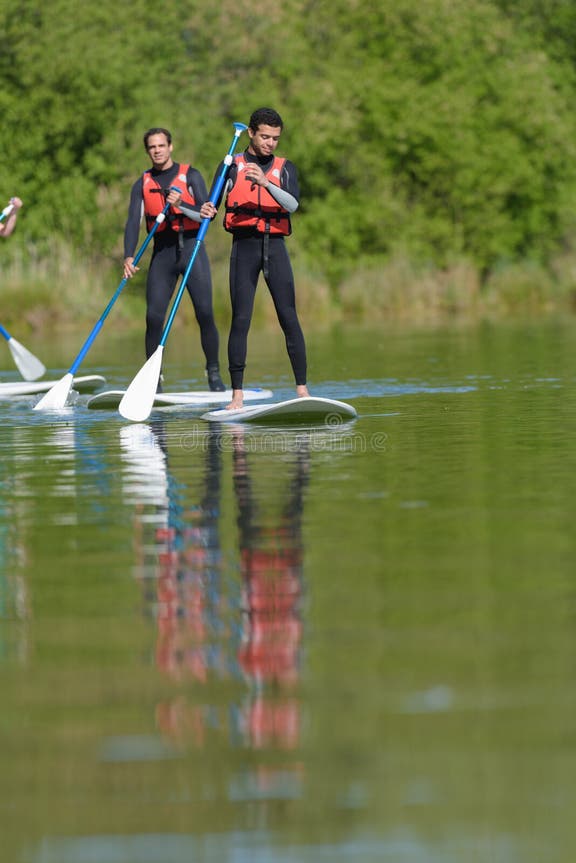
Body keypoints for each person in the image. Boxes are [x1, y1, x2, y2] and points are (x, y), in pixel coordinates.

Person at [199, 108, 309, 409]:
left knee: (289, 318)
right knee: (241, 320)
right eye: (264, 137)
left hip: (275, 247)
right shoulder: (229, 165)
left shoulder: (286, 168)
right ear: (250, 133)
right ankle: (237, 396)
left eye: (275, 138)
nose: (270, 143)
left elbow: (293, 205)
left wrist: (266, 183)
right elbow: (211, 205)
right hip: (244, 248)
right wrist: (206, 210)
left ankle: (302, 391)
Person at [123, 128, 225, 391]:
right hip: (162, 253)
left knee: (204, 313)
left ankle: (213, 373)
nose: (157, 150)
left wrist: (180, 205)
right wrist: (129, 255)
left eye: (161, 145)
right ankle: (153, 380)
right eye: (151, 147)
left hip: (192, 249)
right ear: (147, 151)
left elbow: (207, 214)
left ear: (170, 146)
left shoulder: (190, 175)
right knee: (154, 317)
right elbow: (133, 222)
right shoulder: (141, 183)